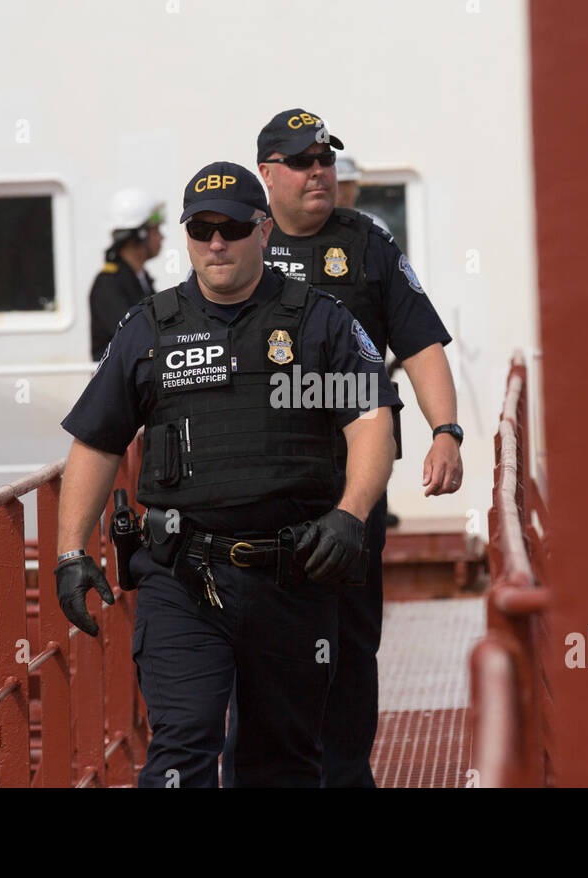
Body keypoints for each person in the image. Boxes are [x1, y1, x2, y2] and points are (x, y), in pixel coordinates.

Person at [55, 160, 400, 787]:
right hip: (182, 578)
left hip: (292, 576)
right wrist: (71, 553)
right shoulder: (149, 328)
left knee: (282, 760)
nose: (216, 243)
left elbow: (371, 419)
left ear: (263, 231)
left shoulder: (318, 322)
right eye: (202, 229)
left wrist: (351, 514)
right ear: (186, 236)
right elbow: (96, 443)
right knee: (182, 746)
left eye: (233, 228)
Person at [236, 107, 465, 788]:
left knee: (350, 639)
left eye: (326, 159)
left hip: (352, 479)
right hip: (259, 479)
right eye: (302, 162)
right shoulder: (239, 239)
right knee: (258, 641)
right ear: (267, 172)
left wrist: (446, 431)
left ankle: (343, 775)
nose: (318, 172)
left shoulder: (367, 243)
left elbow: (420, 342)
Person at [88, 187, 164, 360]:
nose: (162, 237)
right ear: (140, 235)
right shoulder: (108, 283)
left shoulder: (141, 277)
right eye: (156, 230)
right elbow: (133, 333)